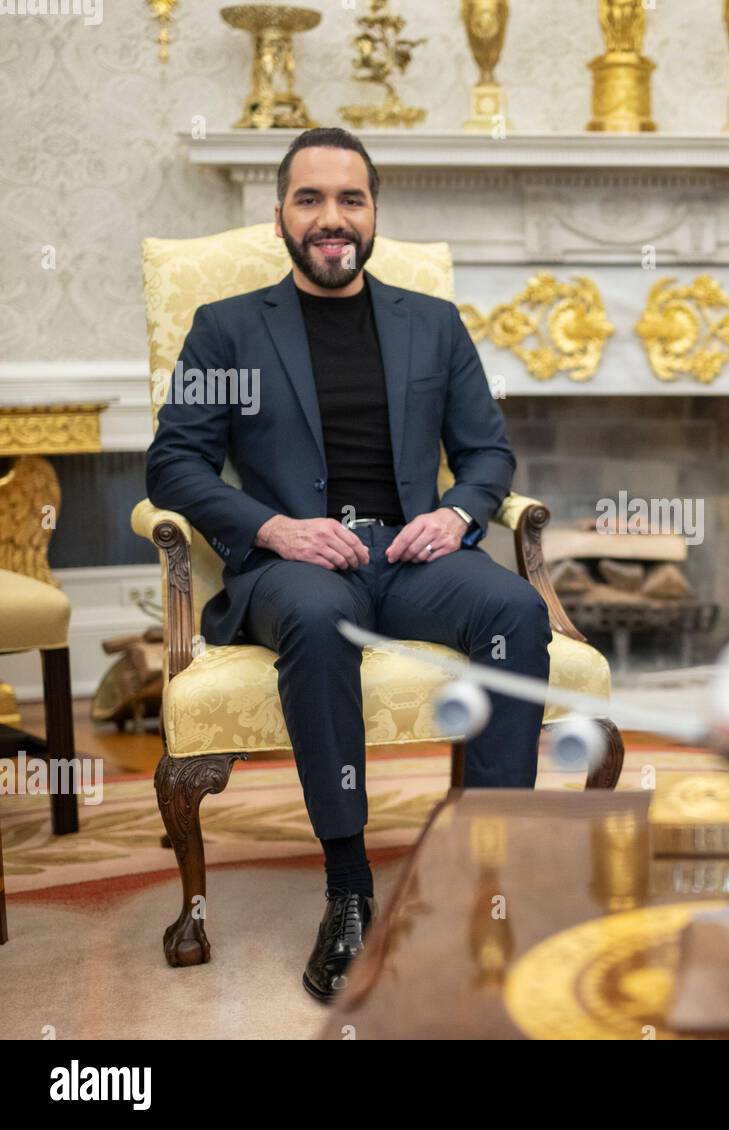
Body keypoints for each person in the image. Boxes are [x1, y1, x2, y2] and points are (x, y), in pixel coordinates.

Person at [146, 127, 551, 1001]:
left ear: (373, 213)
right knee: (320, 615)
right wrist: (277, 529)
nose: (332, 218)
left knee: (516, 613)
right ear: (281, 215)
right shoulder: (226, 330)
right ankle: (349, 892)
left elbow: (487, 456)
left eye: (350, 200)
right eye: (311, 199)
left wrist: (455, 511)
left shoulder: (433, 325)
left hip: (409, 556)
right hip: (291, 568)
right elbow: (173, 464)